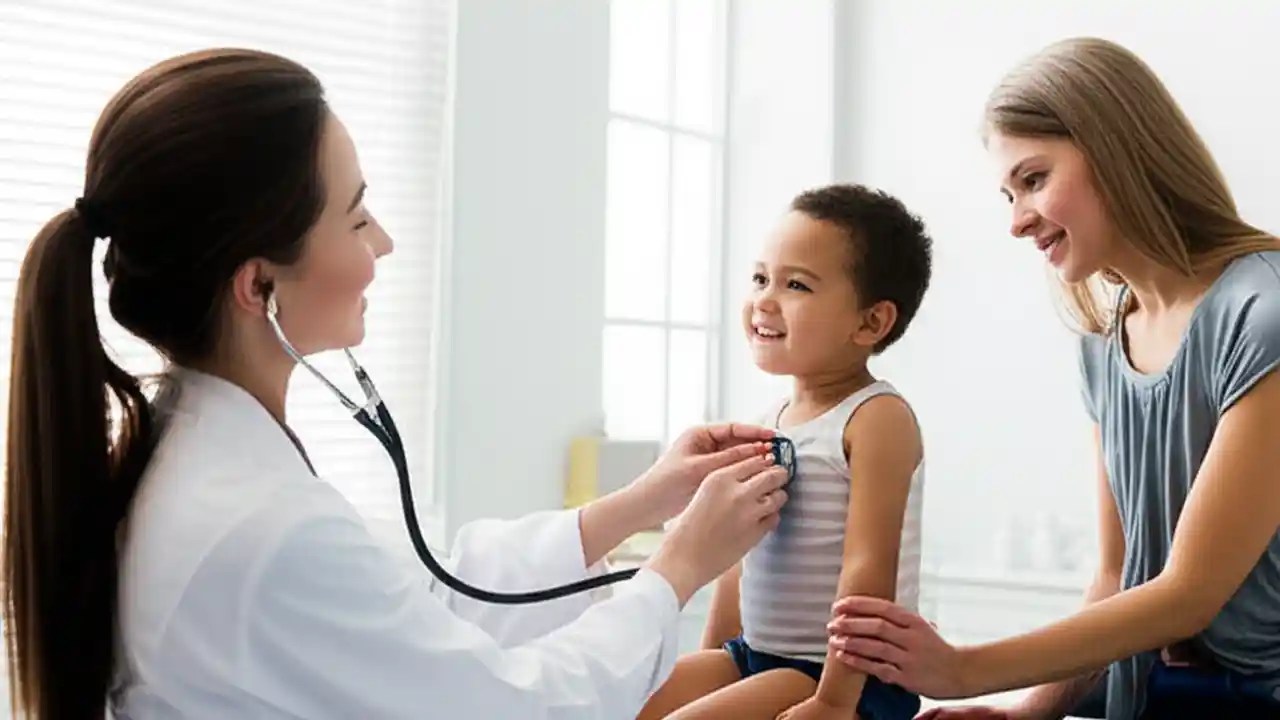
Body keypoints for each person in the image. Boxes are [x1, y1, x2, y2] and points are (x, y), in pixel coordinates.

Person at [0, 48, 792, 719]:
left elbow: (419, 607)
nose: (383, 242)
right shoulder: (259, 526)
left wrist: (643, 503)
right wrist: (677, 570)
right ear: (258, 288)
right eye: (355, 217)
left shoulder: (197, 458)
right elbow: (514, 707)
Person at [825, 37, 1280, 719]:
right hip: (1150, 696)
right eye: (1009, 193)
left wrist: (963, 670)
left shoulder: (1261, 315)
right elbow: (1115, 578)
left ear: (1119, 149)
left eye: (1034, 180)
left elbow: (1190, 592)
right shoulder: (1102, 345)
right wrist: (1024, 713)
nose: (1016, 221)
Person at [637, 185, 933, 720]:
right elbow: (739, 560)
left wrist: (835, 701)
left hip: (843, 676)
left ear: (870, 322)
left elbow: (869, 569)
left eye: (795, 284)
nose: (764, 300)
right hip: (755, 657)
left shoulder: (876, 419)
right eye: (760, 278)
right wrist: (713, 665)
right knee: (619, 701)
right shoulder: (767, 423)